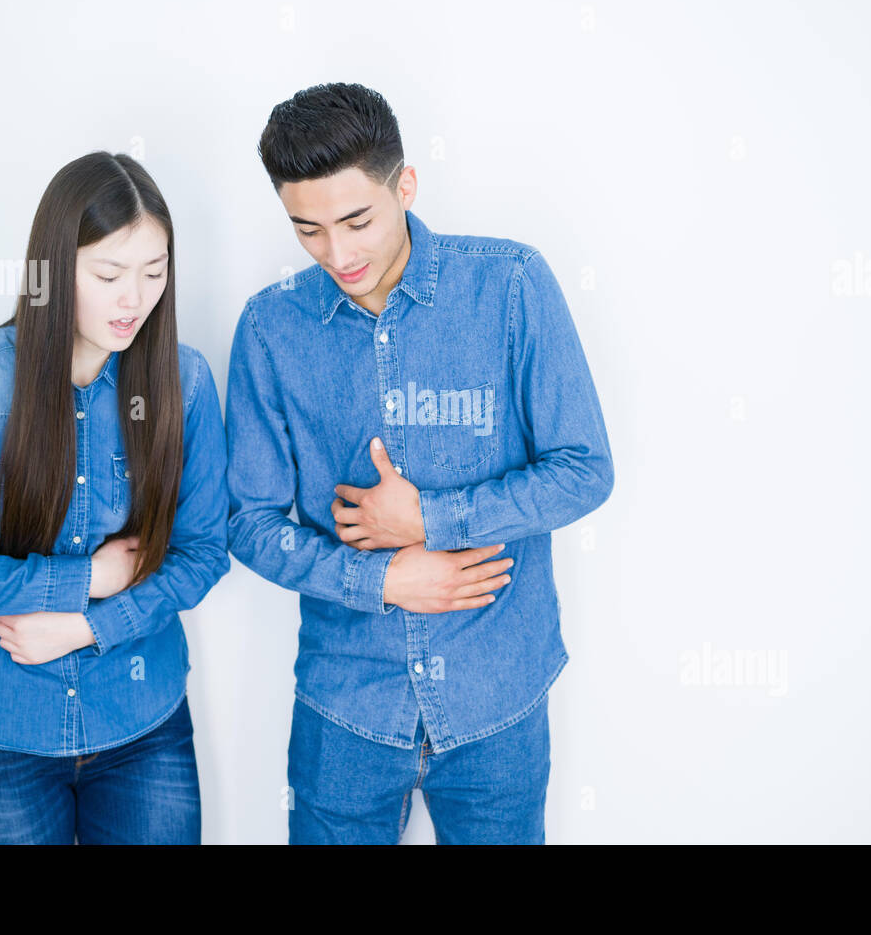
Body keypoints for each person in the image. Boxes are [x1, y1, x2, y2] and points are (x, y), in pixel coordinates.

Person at [226, 83, 614, 844]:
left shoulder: (510, 286)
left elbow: (584, 467)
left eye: (356, 220)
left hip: (497, 697)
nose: (338, 254)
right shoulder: (270, 327)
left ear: (405, 184)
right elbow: (248, 521)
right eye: (307, 229)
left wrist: (431, 519)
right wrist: (382, 578)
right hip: (346, 707)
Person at [0, 151, 230, 844]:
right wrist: (86, 578)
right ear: (52, 270)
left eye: (154, 272)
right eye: (108, 275)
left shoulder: (185, 383)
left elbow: (203, 555)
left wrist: (87, 623)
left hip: (142, 727)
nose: (134, 299)